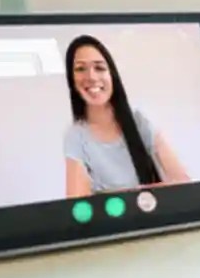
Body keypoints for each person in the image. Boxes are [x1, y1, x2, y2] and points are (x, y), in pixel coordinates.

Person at [63, 34, 191, 197]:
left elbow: (183, 182)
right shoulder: (76, 136)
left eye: (100, 68)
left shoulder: (139, 121)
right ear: (72, 80)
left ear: (112, 75)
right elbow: (76, 203)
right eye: (80, 69)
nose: (92, 77)